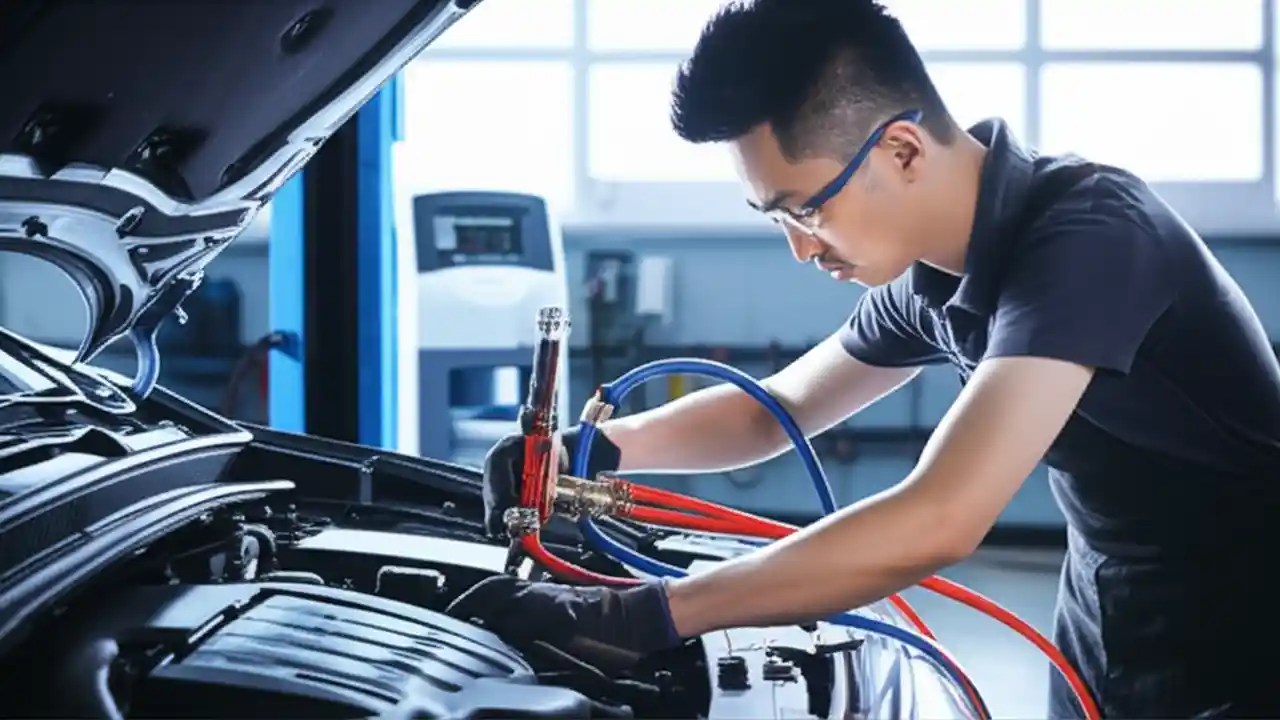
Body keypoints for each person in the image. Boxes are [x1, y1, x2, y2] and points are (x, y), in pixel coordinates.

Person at [446, 1, 1280, 716]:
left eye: (806, 210)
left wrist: (648, 616)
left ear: (904, 151)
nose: (801, 251)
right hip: (1107, 621)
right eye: (775, 219)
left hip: (1243, 635)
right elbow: (773, 410)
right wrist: (586, 452)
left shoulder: (1092, 238)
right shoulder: (937, 274)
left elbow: (942, 517)